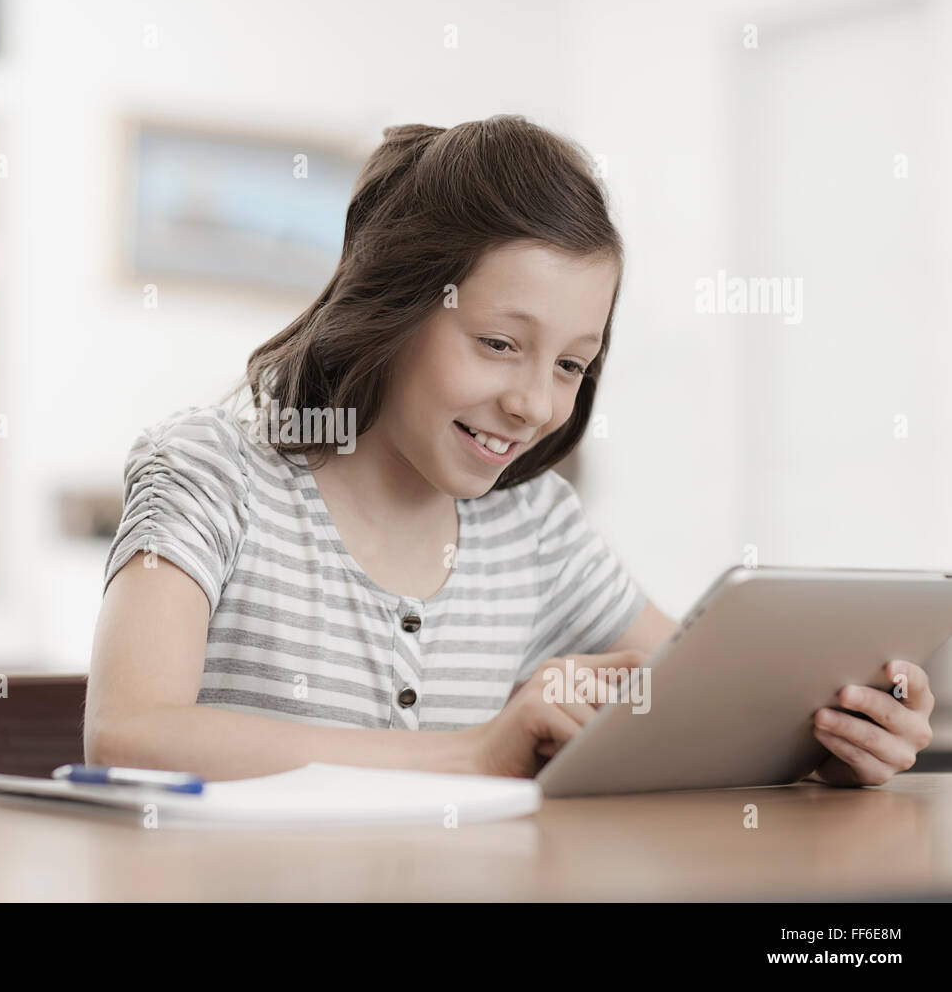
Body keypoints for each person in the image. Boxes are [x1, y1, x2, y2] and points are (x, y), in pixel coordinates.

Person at [85, 114, 934, 786]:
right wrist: (476, 752)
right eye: (497, 343)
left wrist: (824, 735)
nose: (534, 404)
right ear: (393, 305)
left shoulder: (532, 526)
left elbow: (699, 687)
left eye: (572, 364)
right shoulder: (209, 474)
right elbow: (129, 733)